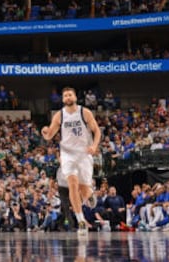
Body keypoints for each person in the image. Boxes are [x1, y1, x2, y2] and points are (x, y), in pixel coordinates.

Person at [41, 86, 102, 234]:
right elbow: (49, 136)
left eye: (70, 95)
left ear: (75, 97)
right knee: (72, 183)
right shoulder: (59, 115)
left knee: (83, 187)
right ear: (63, 100)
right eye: (65, 96)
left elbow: (97, 131)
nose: (68, 97)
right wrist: (45, 132)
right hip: (67, 154)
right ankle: (80, 220)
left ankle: (89, 194)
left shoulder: (84, 112)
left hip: (84, 153)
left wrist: (94, 145)